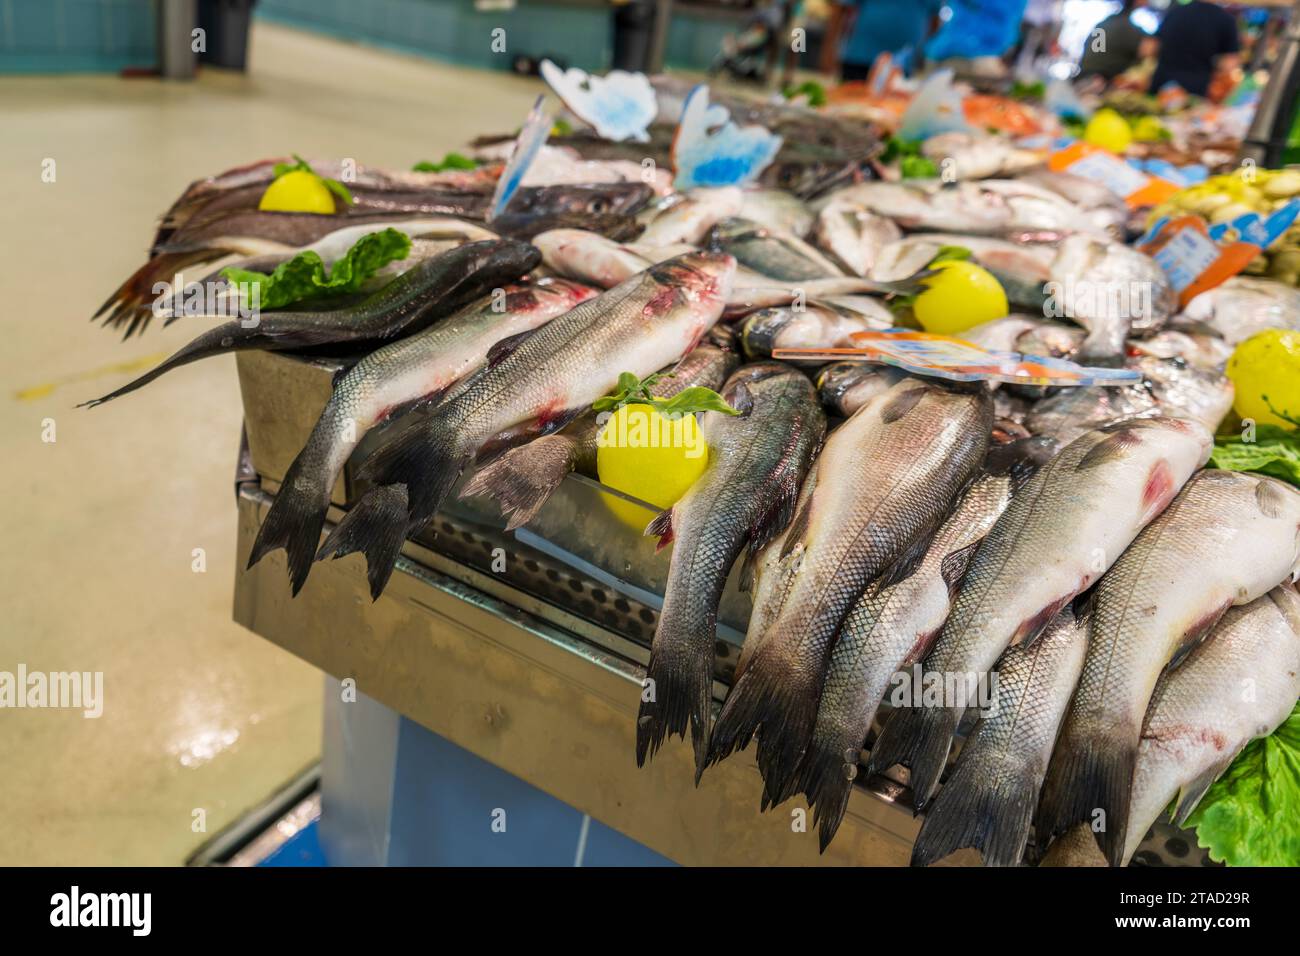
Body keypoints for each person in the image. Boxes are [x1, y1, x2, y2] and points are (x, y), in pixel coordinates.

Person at [829, 0, 945, 81]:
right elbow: (843, 9)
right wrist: (829, 49)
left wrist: (922, 54)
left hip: (901, 66)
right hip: (860, 59)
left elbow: (935, 21)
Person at [1148, 0, 1239, 97]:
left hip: (1162, 82)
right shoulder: (1226, 19)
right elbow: (1229, 64)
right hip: (1195, 89)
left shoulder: (1175, 11)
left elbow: (1149, 48)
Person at [1078, 0, 1154, 81]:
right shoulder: (1129, 30)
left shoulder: (1106, 22)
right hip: (1099, 82)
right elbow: (1147, 52)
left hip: (1081, 76)